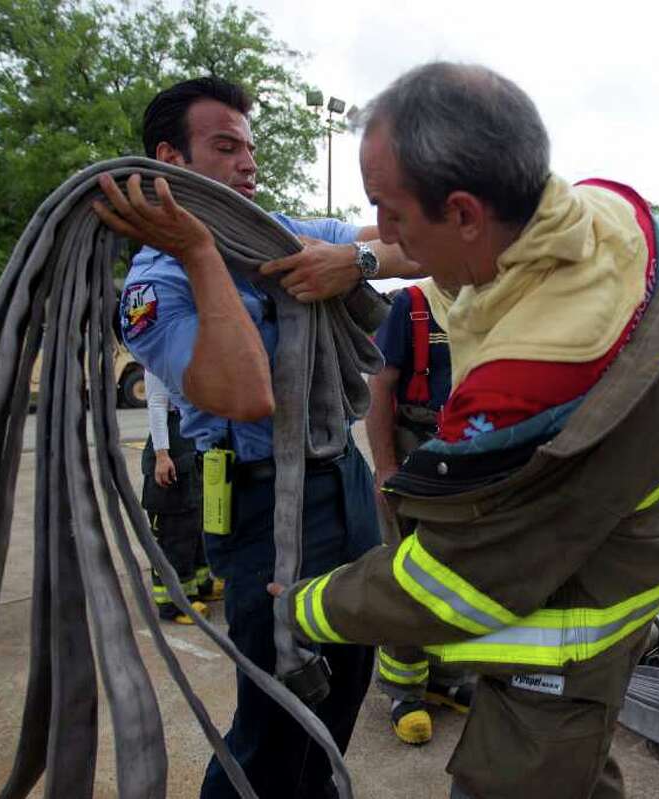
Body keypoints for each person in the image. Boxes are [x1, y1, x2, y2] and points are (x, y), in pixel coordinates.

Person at [269, 62, 659, 799]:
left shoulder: (526, 383)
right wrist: (360, 259)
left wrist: (303, 604)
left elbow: (449, 582)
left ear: (467, 213)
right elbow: (415, 248)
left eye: (389, 211)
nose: (385, 235)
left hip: (566, 635)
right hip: (630, 553)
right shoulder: (598, 215)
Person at [93, 76, 421, 798]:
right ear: (170, 158)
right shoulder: (156, 286)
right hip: (262, 511)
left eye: (250, 146)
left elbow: (414, 246)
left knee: (344, 686)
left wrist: (353, 262)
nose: (249, 162)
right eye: (226, 146)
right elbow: (246, 394)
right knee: (278, 716)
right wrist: (203, 251)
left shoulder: (282, 230)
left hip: (346, 486)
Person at [364, 278, 474, 745]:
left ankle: (447, 676)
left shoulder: (487, 298)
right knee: (408, 571)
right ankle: (404, 690)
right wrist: (385, 465)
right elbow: (380, 388)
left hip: (470, 454)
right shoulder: (411, 306)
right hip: (416, 448)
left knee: (460, 569)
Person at [140, 367, 221, 624]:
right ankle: (174, 604)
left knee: (193, 528)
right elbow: (156, 404)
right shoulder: (157, 356)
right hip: (171, 453)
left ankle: (200, 586)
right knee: (174, 534)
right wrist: (162, 455)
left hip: (188, 449)